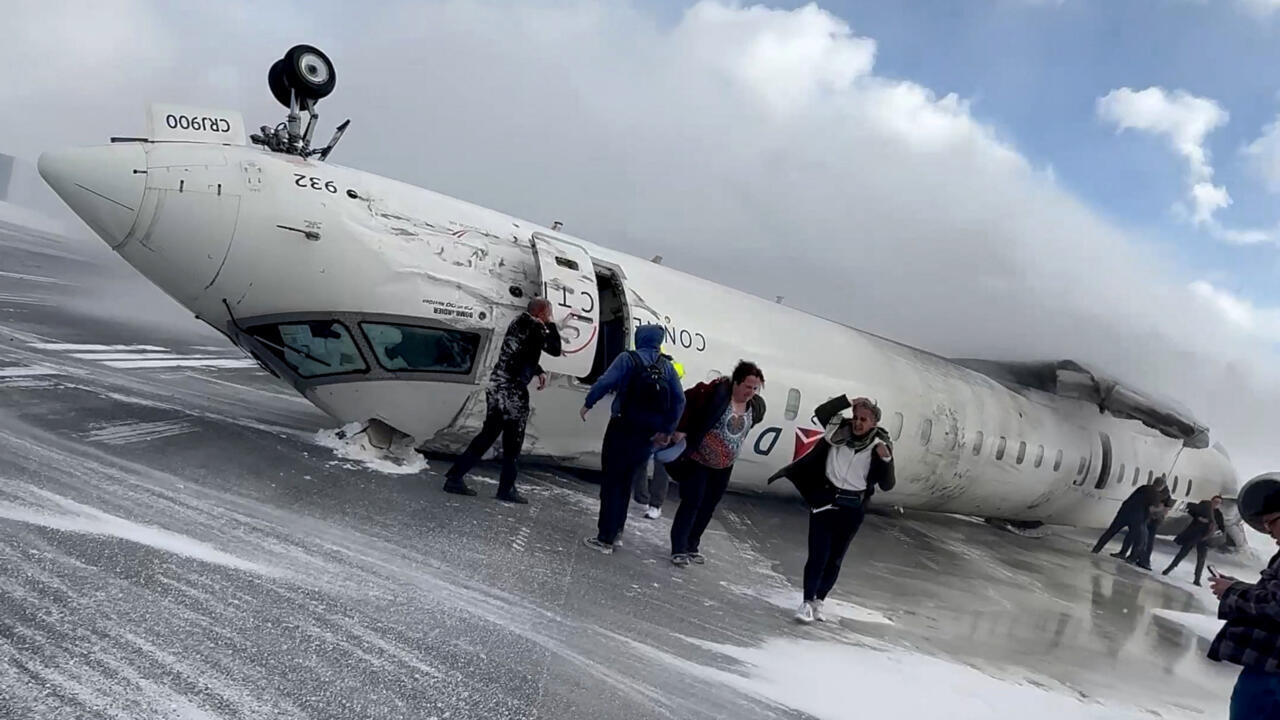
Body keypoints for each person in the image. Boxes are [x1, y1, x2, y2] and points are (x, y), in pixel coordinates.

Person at [767, 395, 895, 623]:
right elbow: (823, 410)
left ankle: (819, 601)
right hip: (826, 501)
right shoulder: (838, 431)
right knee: (817, 554)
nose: (857, 423)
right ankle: (806, 602)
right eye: (855, 417)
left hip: (852, 508)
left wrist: (886, 461)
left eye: (864, 419)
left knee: (835, 558)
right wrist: (848, 400)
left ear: (874, 423)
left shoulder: (880, 446)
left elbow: (887, 485)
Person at [438, 298, 561, 503]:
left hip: (497, 385)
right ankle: (506, 488)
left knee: (487, 434)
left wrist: (537, 370)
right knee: (513, 441)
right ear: (541, 313)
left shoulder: (518, 322)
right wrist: (552, 325)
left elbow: (520, 352)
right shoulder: (536, 327)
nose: (550, 316)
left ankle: (455, 476)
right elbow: (555, 349)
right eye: (549, 313)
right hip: (512, 390)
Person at [579, 324, 685, 554]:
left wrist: (589, 402)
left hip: (622, 427)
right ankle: (617, 533)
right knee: (626, 482)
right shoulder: (668, 366)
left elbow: (606, 382)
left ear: (640, 338)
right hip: (647, 434)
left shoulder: (629, 359)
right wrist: (667, 430)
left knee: (611, 482)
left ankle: (604, 537)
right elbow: (679, 401)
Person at [666, 361, 767, 567]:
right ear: (736, 382)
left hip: (724, 466)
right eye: (747, 386)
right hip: (699, 460)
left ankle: (692, 545)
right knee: (692, 502)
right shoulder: (718, 394)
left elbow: (748, 425)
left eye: (755, 388)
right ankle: (678, 548)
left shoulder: (755, 406)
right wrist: (681, 429)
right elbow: (688, 401)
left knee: (708, 506)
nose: (751, 392)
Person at [1208, 478, 1280, 719]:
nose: (1268, 531)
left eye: (1271, 522)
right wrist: (1237, 587)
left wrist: (1232, 591)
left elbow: (1276, 606)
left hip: (1271, 673)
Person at [633, 349, 686, 520]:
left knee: (657, 465)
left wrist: (671, 430)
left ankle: (651, 502)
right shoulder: (670, 368)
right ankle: (647, 501)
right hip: (654, 423)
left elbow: (678, 402)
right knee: (646, 462)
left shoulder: (666, 369)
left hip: (662, 425)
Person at [1091, 476, 1168, 562]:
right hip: (1137, 517)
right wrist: (1162, 509)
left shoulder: (1143, 487)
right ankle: (1131, 558)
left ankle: (1097, 549)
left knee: (1111, 531)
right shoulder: (1155, 494)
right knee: (1139, 538)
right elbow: (1152, 509)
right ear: (1162, 486)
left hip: (1124, 512)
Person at [1164, 495, 1226, 585]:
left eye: (1218, 503)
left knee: (1201, 558)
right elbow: (1192, 510)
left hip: (1205, 537)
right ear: (1211, 501)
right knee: (1183, 552)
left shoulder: (1218, 514)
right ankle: (1169, 569)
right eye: (1215, 501)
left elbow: (1221, 528)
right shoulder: (1203, 507)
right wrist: (1199, 518)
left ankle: (1197, 579)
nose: (1216, 504)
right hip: (1195, 534)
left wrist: (1213, 530)